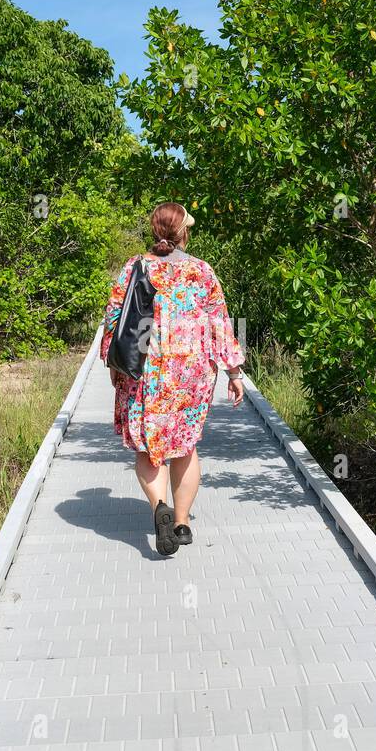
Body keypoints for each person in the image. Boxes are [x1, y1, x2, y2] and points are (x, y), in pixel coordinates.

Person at [100, 201, 245, 556]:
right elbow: (219, 323)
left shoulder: (135, 267)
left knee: (151, 452)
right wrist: (234, 371)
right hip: (190, 374)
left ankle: (159, 507)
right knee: (186, 447)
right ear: (183, 233)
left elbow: (113, 318)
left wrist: (112, 364)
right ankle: (181, 523)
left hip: (145, 371)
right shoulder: (202, 271)